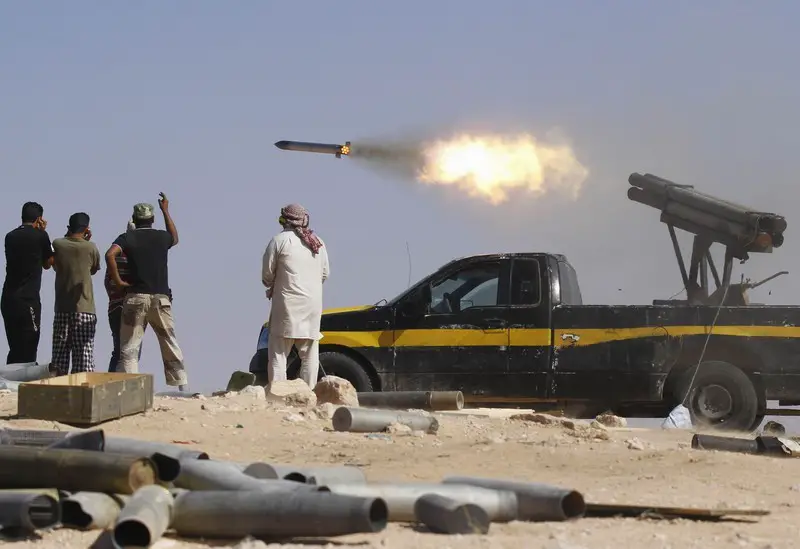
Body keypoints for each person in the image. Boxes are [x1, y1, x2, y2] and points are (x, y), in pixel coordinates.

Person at [105, 194, 188, 390]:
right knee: (169, 342)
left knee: (129, 348)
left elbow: (110, 254)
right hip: (160, 297)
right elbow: (175, 238)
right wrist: (165, 210)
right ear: (152, 219)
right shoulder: (161, 237)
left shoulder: (127, 238)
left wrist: (119, 282)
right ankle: (182, 388)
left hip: (135, 297)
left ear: (134, 219)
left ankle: (131, 389)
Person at [262, 203, 330, 387]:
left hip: (286, 305)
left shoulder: (279, 241)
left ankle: (277, 394)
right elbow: (325, 274)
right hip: (312, 306)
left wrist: (276, 284)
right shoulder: (318, 243)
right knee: (309, 355)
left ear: (284, 220)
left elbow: (267, 275)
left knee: (278, 353)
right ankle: (309, 394)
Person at [1, 202, 54, 364]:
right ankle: (25, 378)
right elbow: (48, 263)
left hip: (8, 298)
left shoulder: (10, 236)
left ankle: (9, 378)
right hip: (28, 299)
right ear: (39, 219)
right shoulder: (40, 236)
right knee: (29, 347)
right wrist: (44, 233)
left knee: (15, 348)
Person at [51, 213, 101, 375]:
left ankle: (58, 387)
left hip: (62, 307)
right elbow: (93, 269)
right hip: (84, 308)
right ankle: (82, 388)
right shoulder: (91, 247)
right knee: (83, 358)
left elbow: (55, 265)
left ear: (69, 227)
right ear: (87, 229)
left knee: (59, 358)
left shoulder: (57, 244)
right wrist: (86, 240)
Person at [104, 220, 143, 372]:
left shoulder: (117, 253)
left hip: (114, 307)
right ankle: (124, 382)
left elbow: (107, 281)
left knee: (117, 351)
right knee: (132, 351)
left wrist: (114, 296)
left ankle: (110, 381)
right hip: (131, 306)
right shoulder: (138, 254)